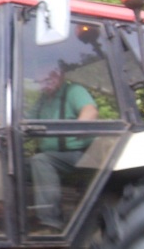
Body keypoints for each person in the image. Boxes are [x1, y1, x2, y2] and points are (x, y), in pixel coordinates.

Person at [26, 68, 98, 231]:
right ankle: (21, 224)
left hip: (80, 155)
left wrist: (77, 128)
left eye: (49, 78)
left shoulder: (74, 91)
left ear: (60, 76)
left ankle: (51, 223)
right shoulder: (43, 100)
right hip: (55, 158)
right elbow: (26, 121)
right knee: (15, 166)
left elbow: (90, 111)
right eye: (41, 81)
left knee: (41, 160)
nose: (45, 83)